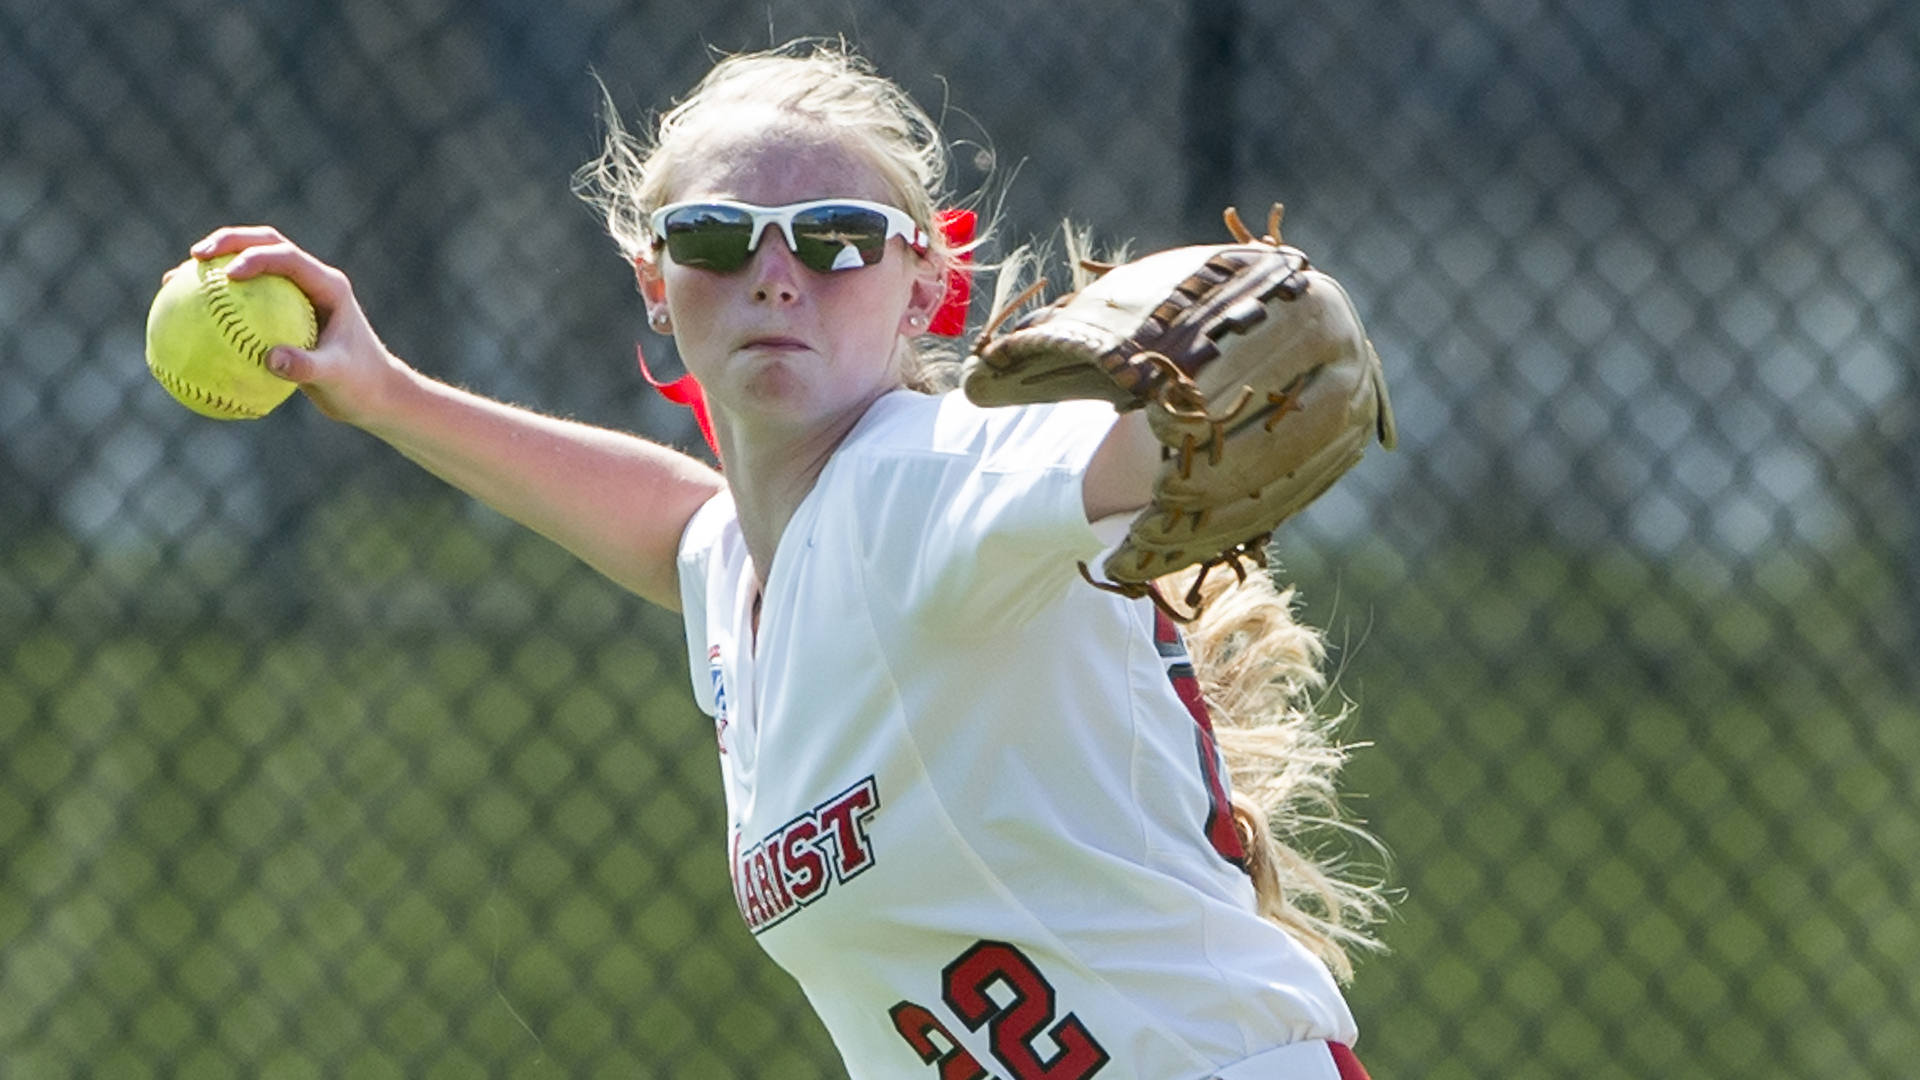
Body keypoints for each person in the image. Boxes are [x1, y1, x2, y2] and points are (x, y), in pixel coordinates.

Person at [192, 39, 1388, 1080]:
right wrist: (387, 393)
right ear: (656, 284)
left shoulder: (924, 482)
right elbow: (679, 526)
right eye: (716, 237)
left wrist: (1187, 410)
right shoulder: (754, 563)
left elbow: (1103, 454)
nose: (776, 274)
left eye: (837, 239)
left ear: (925, 284)